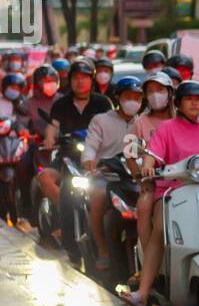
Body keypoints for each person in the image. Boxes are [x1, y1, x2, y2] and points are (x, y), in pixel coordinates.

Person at [122, 80, 199, 306]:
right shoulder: (166, 128)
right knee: (160, 230)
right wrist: (148, 166)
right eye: (189, 99)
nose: (194, 103)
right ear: (178, 103)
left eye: (198, 99)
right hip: (172, 192)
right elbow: (152, 154)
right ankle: (144, 291)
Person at [82, 76, 144, 271]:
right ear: (118, 98)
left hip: (134, 176)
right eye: (128, 96)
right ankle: (102, 249)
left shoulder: (143, 122)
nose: (132, 101)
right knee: (98, 196)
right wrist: (89, 159)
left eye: (137, 97)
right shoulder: (101, 120)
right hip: (105, 175)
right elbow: (91, 145)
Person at [38, 59, 112, 211]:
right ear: (69, 80)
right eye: (76, 77)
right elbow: (53, 125)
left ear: (92, 80)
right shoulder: (61, 104)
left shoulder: (103, 103)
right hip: (68, 157)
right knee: (44, 178)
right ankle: (64, 212)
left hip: (99, 158)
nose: (80, 81)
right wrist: (49, 138)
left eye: (84, 77)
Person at [128, 71, 175, 263]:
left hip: (184, 180)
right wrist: (141, 177)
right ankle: (150, 261)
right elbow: (130, 156)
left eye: (161, 90)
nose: (156, 94)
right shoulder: (140, 122)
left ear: (170, 93)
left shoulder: (181, 118)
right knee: (144, 205)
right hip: (154, 183)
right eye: (151, 91)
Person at [20, 64, 60, 142]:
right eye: (46, 81)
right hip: (39, 145)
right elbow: (21, 122)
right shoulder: (28, 104)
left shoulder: (63, 100)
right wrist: (23, 130)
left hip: (64, 145)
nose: (51, 83)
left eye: (53, 80)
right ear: (37, 83)